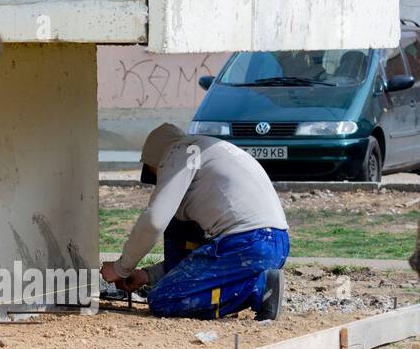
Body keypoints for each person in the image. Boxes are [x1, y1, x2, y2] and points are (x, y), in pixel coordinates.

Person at [100, 123, 289, 320]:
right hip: (274, 243)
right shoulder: (207, 152)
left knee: (163, 300)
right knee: (178, 221)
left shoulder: (180, 151)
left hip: (247, 243)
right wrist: (149, 275)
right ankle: (258, 284)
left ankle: (258, 287)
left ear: (156, 160)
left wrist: (121, 268)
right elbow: (196, 254)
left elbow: (154, 221)